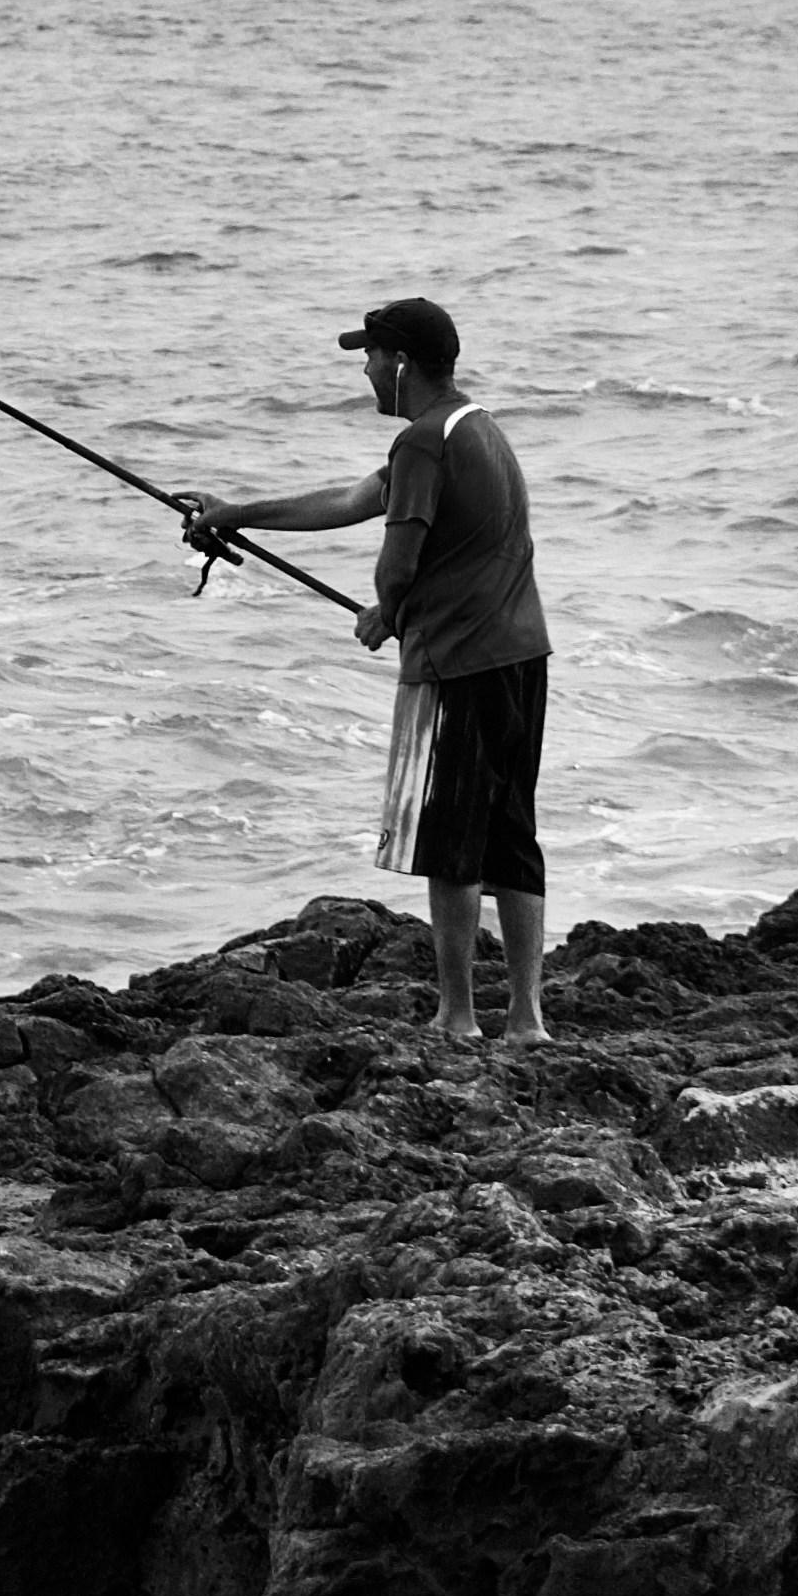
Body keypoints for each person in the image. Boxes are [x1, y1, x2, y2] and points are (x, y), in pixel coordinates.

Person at [182, 296, 551, 1047]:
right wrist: (236, 513)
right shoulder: (472, 427)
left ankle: (456, 1017)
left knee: (451, 845)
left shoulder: (421, 442)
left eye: (373, 355)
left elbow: (400, 555)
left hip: (456, 665)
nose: (366, 368)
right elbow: (356, 498)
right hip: (521, 658)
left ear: (404, 363)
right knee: (512, 838)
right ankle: (527, 1021)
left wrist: (386, 612)